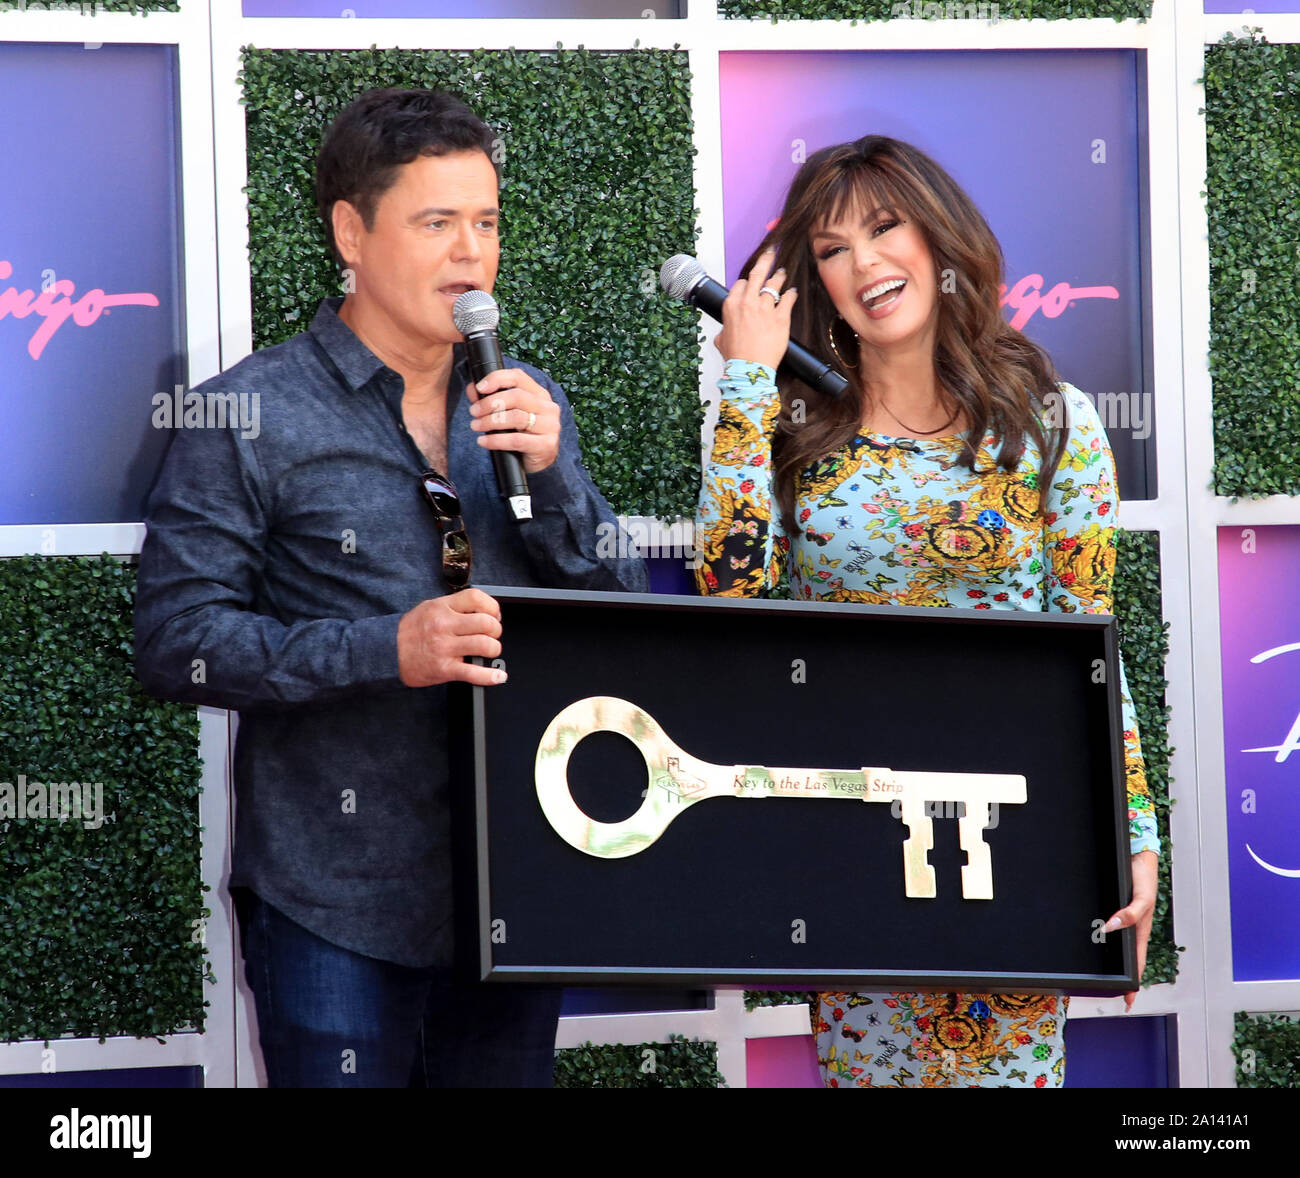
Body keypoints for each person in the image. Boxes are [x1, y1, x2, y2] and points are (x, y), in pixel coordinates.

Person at [134, 88, 647, 1087]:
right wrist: (387, 647)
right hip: (334, 895)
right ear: (351, 233)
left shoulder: (525, 400)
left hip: (514, 879)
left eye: (487, 223)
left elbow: (612, 602)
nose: (470, 255)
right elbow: (177, 637)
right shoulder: (244, 413)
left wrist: (555, 474)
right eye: (437, 222)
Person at [694, 135, 1159, 1088]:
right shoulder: (790, 432)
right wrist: (744, 383)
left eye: (882, 227)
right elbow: (730, 594)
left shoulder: (1050, 420)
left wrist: (1132, 834)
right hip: (853, 826)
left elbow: (1093, 648)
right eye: (830, 249)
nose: (863, 264)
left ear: (936, 236)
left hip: (1014, 828)